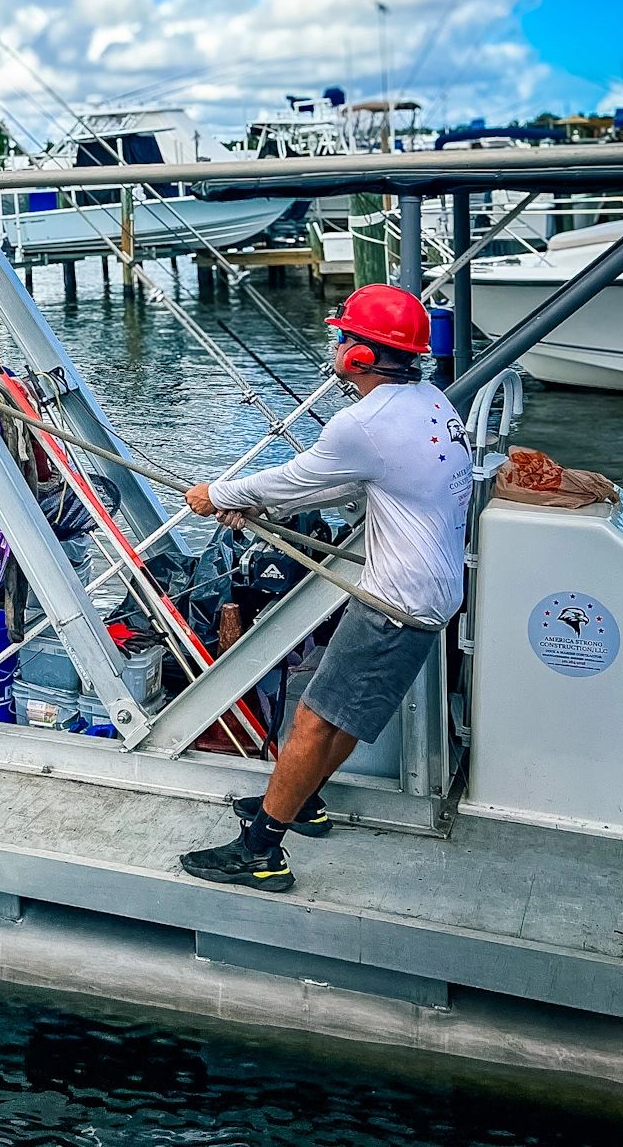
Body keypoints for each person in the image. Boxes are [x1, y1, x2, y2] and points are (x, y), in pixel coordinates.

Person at [177, 284, 471, 894]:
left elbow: (299, 477)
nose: (335, 345)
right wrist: (256, 505)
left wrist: (221, 496)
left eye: (343, 337)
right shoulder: (430, 402)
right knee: (341, 714)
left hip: (396, 602)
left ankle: (261, 851)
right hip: (433, 593)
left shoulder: (363, 422)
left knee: (314, 719)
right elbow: (347, 484)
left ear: (362, 358)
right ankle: (301, 800)